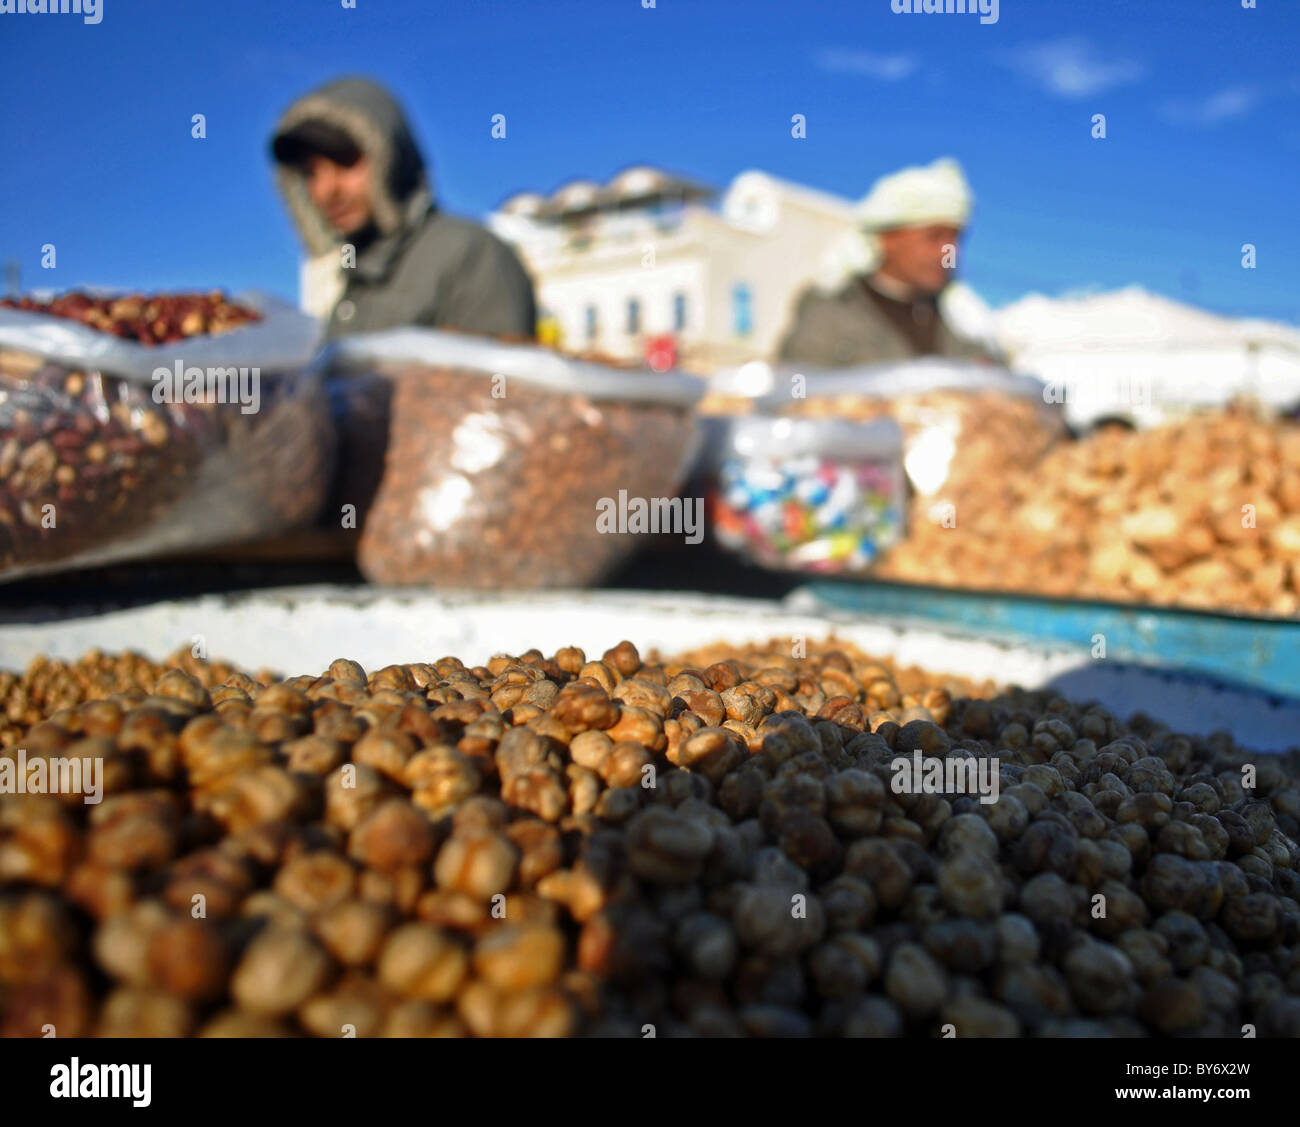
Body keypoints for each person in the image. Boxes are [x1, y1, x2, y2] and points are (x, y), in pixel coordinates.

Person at [270, 76, 537, 339]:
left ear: (390, 157)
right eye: (311, 173)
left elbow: (500, 377)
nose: (328, 190)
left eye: (345, 161)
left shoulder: (471, 254)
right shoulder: (351, 285)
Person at [778, 158, 995, 367]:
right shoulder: (830, 313)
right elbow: (796, 388)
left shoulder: (960, 319)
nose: (949, 252)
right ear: (887, 238)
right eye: (934, 237)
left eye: (956, 238)